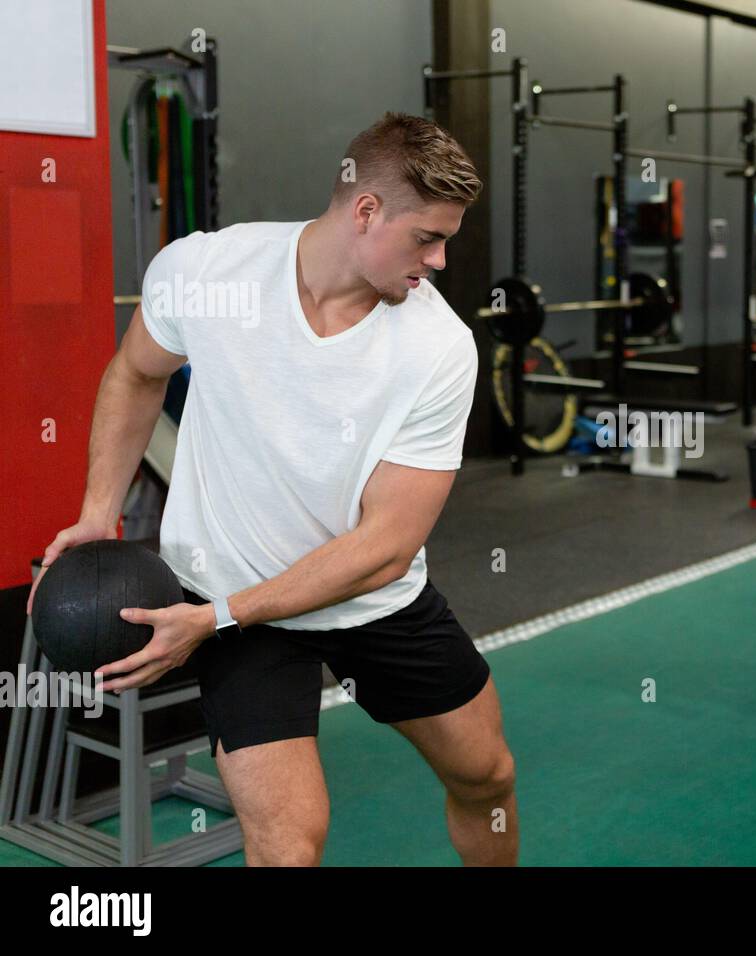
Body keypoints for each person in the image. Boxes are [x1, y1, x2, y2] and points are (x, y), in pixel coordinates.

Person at [27, 112, 517, 867]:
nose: (441, 261)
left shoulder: (439, 348)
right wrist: (100, 513)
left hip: (365, 601)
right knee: (286, 846)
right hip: (235, 608)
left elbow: (385, 550)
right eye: (427, 238)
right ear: (365, 210)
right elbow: (135, 373)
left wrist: (215, 617)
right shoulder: (208, 273)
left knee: (487, 777)